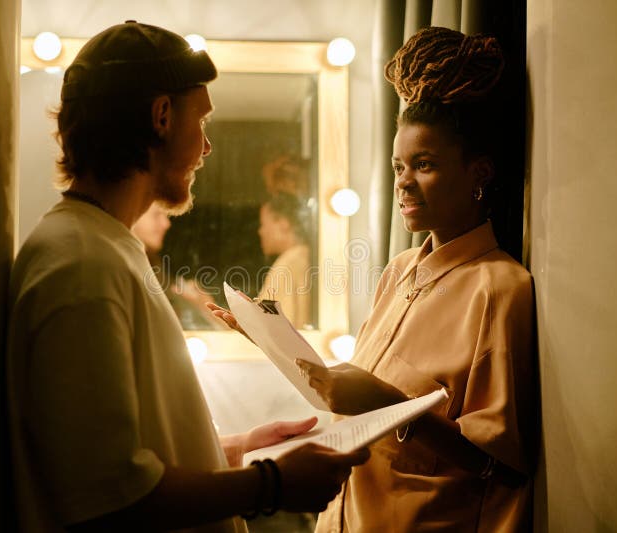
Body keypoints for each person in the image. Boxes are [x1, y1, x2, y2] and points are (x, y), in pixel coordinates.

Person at [6, 21, 369, 533]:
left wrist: (234, 450)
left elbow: (128, 458)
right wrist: (271, 485)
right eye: (201, 122)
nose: (207, 147)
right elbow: (107, 501)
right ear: (161, 116)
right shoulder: (81, 268)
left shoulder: (105, 248)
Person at [213, 26, 536, 532]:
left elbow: (498, 464)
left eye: (424, 164)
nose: (404, 181)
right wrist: (274, 342)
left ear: (480, 173)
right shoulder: (399, 272)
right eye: (398, 165)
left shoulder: (500, 288)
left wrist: (389, 404)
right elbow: (357, 395)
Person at [132, 201, 226, 330]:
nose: (167, 224)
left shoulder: (154, 266)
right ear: (132, 215)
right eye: (157, 215)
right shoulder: (122, 269)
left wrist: (203, 305)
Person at [256, 193, 312, 328]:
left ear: (283, 224)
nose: (260, 231)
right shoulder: (306, 257)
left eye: (263, 224)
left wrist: (206, 308)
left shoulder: (286, 266)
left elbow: (269, 330)